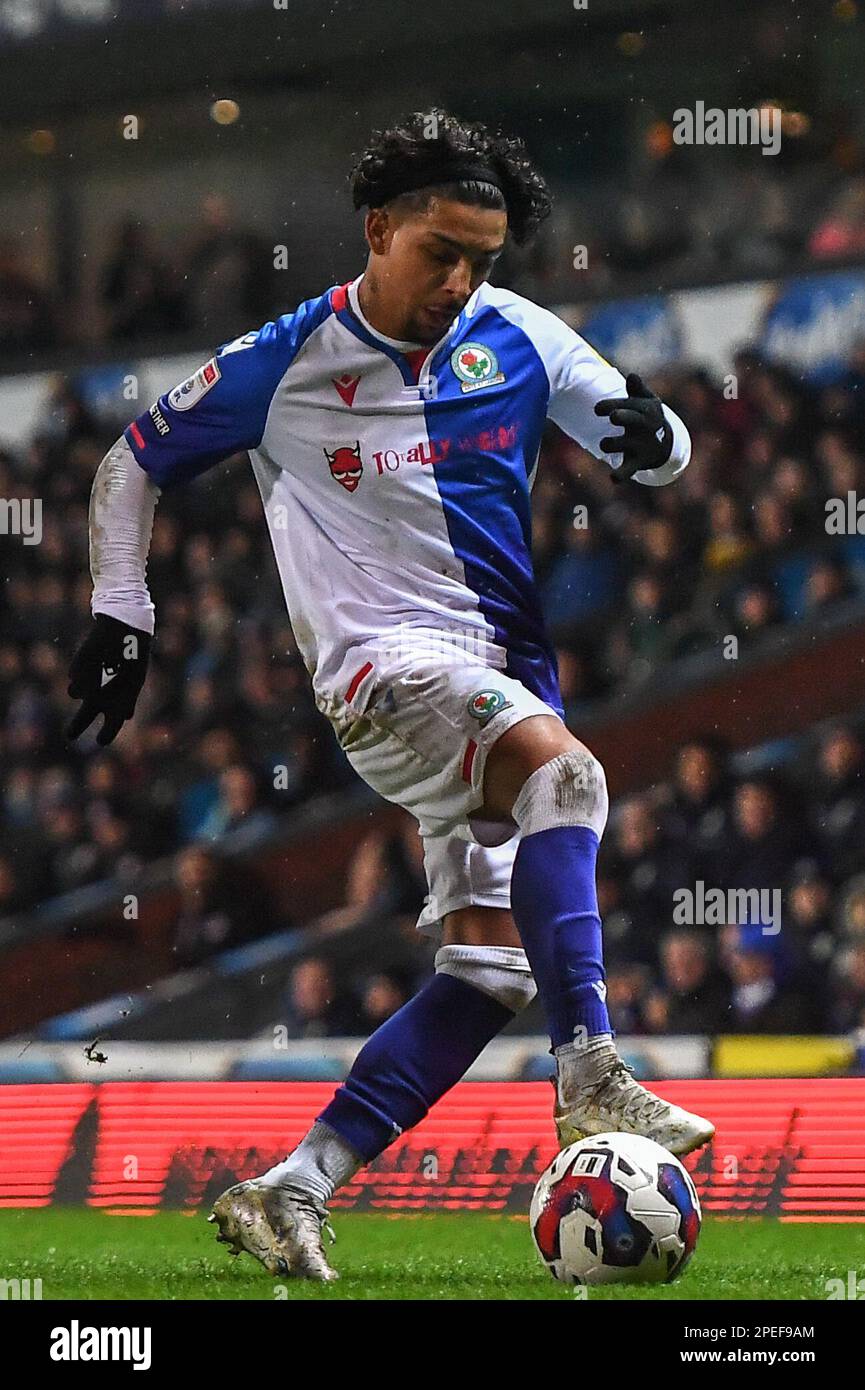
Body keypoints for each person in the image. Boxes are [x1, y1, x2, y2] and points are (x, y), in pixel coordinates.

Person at [65, 109, 712, 1281]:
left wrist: (657, 436)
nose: (460, 281)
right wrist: (125, 610)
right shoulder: (292, 356)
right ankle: (592, 1074)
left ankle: (292, 1188)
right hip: (381, 674)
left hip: (494, 675)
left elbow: (652, 444)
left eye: (481, 259)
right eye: (440, 252)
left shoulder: (518, 336)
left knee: (485, 971)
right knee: (570, 774)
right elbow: (130, 463)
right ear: (377, 229)